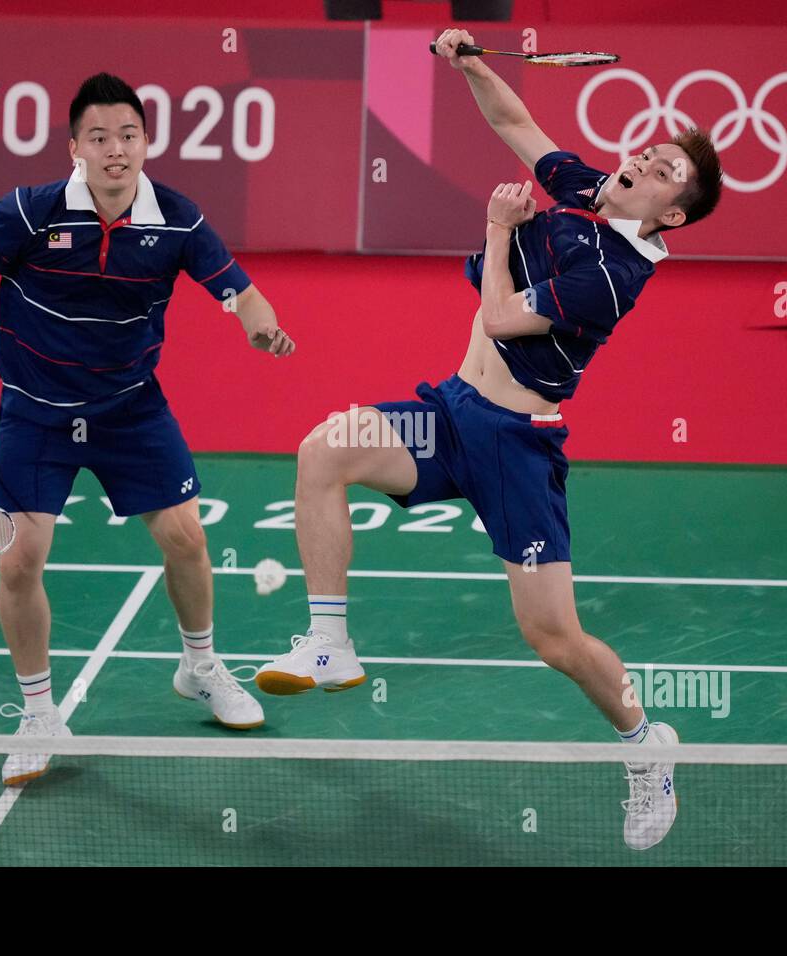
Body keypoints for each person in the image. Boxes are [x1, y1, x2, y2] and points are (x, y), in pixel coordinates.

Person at [256, 29, 722, 849]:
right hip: (450, 415)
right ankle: (330, 642)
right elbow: (517, 125)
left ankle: (647, 747)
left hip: (515, 447)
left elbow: (505, 320)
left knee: (553, 639)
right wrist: (469, 64)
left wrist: (500, 229)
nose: (646, 162)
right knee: (323, 448)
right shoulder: (587, 192)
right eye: (649, 152)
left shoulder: (615, 276)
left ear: (672, 213)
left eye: (665, 172)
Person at [0, 73, 294, 786]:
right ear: (75, 147)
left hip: (129, 407)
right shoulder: (28, 212)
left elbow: (236, 287)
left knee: (185, 537)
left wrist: (260, 323)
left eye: (128, 136)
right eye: (99, 138)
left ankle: (198, 666)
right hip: (35, 410)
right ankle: (40, 713)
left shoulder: (177, 219)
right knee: (18, 561)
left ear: (146, 141)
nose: (115, 151)